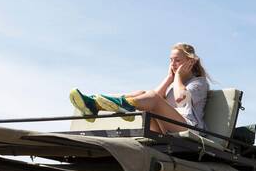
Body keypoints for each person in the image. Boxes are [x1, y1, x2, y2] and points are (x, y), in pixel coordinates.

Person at [70, 43, 212, 135]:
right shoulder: (174, 82)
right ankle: (95, 104)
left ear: (190, 62)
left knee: (152, 98)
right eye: (171, 60)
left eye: (177, 60)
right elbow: (153, 96)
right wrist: (169, 78)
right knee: (142, 94)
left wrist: (178, 76)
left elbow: (180, 98)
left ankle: (124, 106)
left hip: (191, 129)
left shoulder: (199, 83)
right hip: (170, 128)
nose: (173, 64)